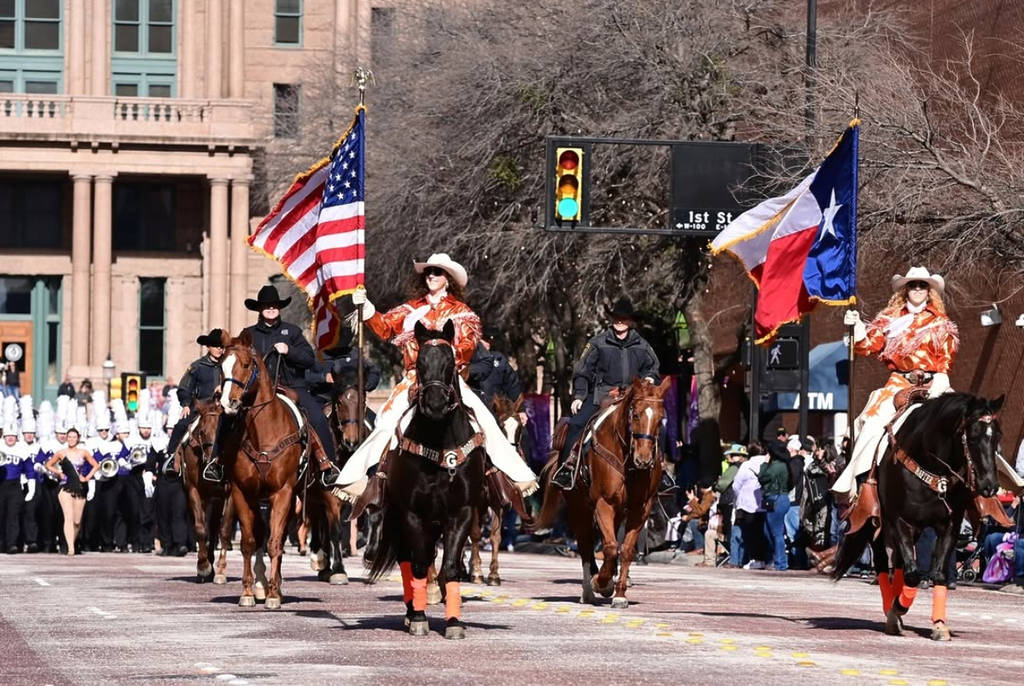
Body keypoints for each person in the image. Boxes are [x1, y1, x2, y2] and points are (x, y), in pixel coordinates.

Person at [334, 253, 538, 500]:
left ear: (448, 279)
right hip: (414, 379)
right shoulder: (411, 309)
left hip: (450, 378)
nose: (431, 275)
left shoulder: (462, 313)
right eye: (429, 271)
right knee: (386, 422)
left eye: (437, 272)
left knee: (487, 421)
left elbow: (468, 345)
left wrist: (450, 352)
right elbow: (385, 327)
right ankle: (363, 480)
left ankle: (509, 478)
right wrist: (367, 310)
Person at [833, 267, 959, 499]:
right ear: (906, 289)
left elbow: (947, 356)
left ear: (929, 290)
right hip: (899, 383)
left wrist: (942, 376)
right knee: (872, 423)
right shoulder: (890, 320)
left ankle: (984, 492)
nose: (918, 289)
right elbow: (868, 347)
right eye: (913, 285)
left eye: (923, 285)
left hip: (935, 383)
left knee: (967, 419)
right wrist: (857, 328)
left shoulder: (941, 322)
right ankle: (857, 483)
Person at [204, 286, 341, 488]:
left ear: (279, 308)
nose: (270, 308)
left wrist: (289, 350)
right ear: (259, 309)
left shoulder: (292, 332)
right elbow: (233, 361)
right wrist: (225, 386)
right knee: (227, 416)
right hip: (254, 390)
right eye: (266, 306)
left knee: (317, 417)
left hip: (291, 385)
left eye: (274, 305)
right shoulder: (248, 334)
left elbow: (308, 359)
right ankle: (217, 462)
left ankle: (327, 466)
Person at [551, 297, 660, 490]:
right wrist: (579, 395)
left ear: (631, 321)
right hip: (601, 395)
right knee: (576, 425)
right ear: (611, 319)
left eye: (624, 318)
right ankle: (566, 469)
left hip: (633, 397)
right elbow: (582, 371)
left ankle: (660, 473)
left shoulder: (642, 345)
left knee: (655, 426)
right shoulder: (597, 343)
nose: (620, 321)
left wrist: (650, 378)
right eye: (617, 317)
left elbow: (653, 367)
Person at [165, 328, 225, 475]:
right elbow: (184, 387)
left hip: (223, 407)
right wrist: (185, 404)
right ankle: (172, 458)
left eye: (222, 346)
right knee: (181, 425)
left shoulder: (228, 365)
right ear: (208, 347)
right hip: (201, 407)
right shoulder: (197, 366)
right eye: (216, 345)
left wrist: (223, 387)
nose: (219, 348)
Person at [45, 428, 98, 555]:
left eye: (74, 437)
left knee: (77, 521)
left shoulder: (84, 452)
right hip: (65, 487)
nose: (71, 439)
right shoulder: (61, 453)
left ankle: (71, 542)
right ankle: (70, 548)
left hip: (79, 487)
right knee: (68, 517)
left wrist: (87, 477)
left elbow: (96, 465)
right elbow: (48, 464)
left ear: (78, 438)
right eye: (69, 437)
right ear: (67, 438)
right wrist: (59, 473)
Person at [468, 327, 522, 408]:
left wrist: (520, 409)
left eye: (491, 340)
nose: (488, 343)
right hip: (474, 408)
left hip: (498, 410)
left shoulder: (499, 359)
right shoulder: (467, 358)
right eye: (485, 340)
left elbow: (512, 385)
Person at [758, 445, 791, 571]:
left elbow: (762, 477)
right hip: (780, 498)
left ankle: (781, 563)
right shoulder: (784, 465)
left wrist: (764, 464)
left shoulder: (776, 466)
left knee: (776, 533)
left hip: (775, 498)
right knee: (769, 531)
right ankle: (776, 559)